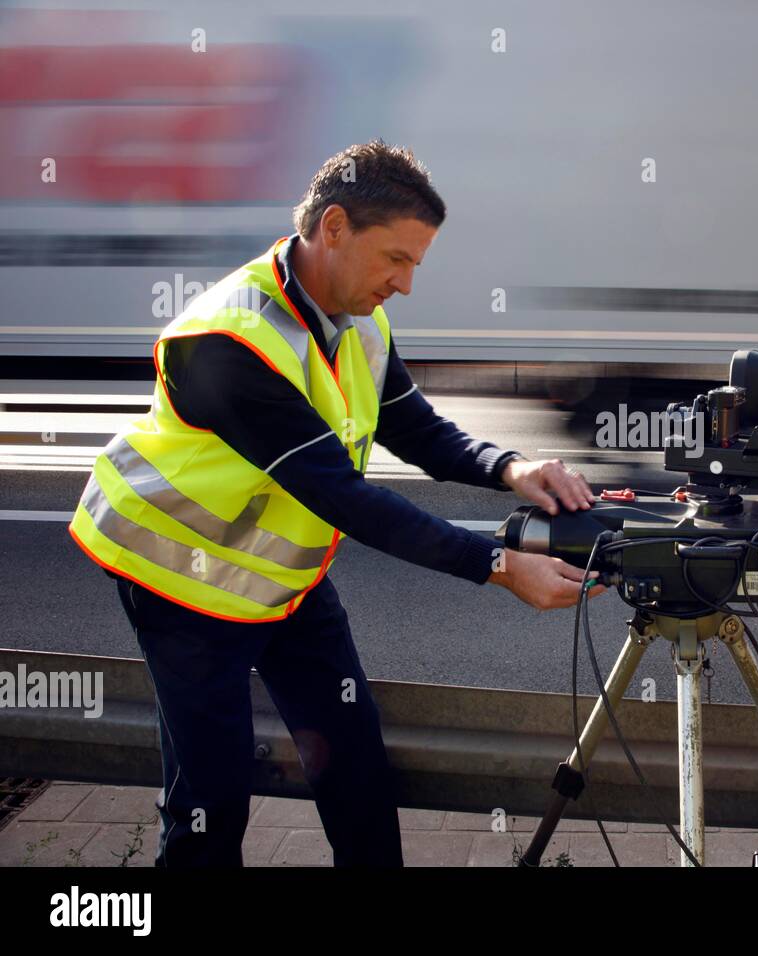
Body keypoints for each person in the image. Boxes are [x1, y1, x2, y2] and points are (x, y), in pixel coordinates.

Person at [68, 140, 604, 867]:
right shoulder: (228, 341)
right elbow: (344, 496)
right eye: (397, 259)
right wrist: (500, 566)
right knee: (213, 797)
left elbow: (413, 425)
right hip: (178, 581)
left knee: (351, 755)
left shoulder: (357, 316)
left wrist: (509, 467)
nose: (406, 284)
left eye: (416, 263)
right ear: (335, 227)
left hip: (283, 580)